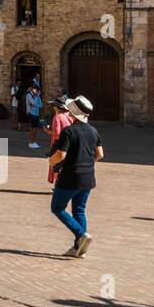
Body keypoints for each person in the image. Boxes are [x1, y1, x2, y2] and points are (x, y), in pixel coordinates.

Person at [47, 96, 102, 257]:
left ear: (72, 113)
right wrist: (86, 162)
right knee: (79, 210)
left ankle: (81, 234)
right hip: (88, 177)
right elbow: (100, 154)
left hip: (70, 177)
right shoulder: (93, 131)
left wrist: (51, 161)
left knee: (57, 207)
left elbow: (60, 155)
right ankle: (79, 248)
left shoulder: (69, 131)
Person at [47, 98, 73, 186]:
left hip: (60, 143)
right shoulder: (68, 115)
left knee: (56, 164)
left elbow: (57, 133)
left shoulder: (57, 117)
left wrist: (48, 131)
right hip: (69, 142)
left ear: (56, 107)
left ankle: (58, 184)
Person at [25, 82, 45, 149]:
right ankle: (31, 142)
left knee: (36, 128)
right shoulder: (29, 95)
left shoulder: (37, 96)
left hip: (36, 113)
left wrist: (36, 105)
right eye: (37, 90)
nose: (38, 92)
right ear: (34, 89)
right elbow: (33, 103)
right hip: (31, 113)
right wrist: (36, 105)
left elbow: (41, 105)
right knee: (33, 128)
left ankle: (33, 142)